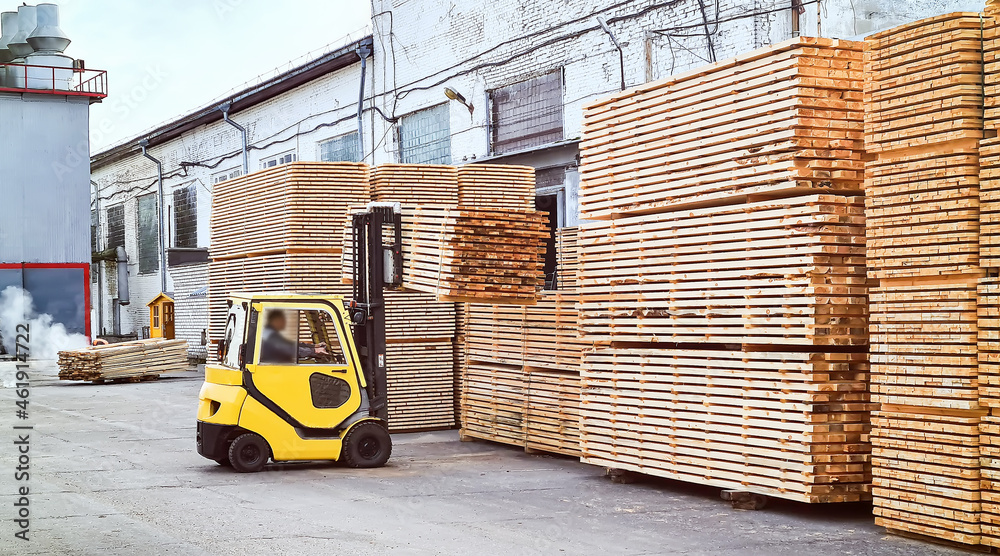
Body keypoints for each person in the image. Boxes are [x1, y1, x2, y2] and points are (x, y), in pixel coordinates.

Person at [259, 310, 328, 364]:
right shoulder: (269, 335)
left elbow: (291, 345)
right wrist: (314, 351)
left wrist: (314, 346)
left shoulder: (273, 333)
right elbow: (289, 349)